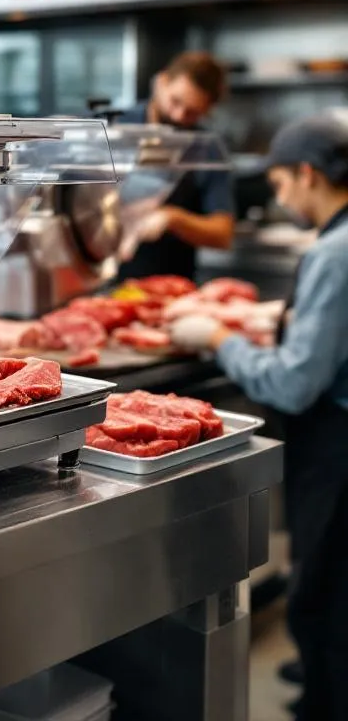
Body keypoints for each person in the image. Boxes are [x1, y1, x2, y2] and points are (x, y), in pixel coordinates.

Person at [170, 110, 348, 721]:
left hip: (337, 445)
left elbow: (295, 383)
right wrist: (279, 322)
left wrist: (218, 337)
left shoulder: (334, 252)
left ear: (307, 174)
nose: (279, 197)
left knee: (325, 592)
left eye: (278, 184)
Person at [117, 51, 235, 280]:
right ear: (161, 83)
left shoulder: (207, 148)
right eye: (175, 101)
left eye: (192, 113)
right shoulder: (113, 126)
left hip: (171, 287)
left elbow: (223, 234)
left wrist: (173, 218)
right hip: (99, 279)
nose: (179, 115)